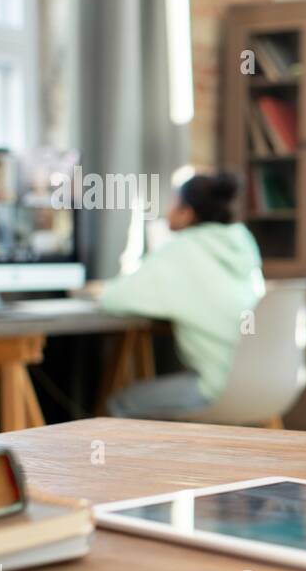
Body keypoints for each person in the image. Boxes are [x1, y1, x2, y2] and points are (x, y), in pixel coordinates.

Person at [101, 172, 264, 419]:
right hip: (262, 384)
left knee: (120, 403)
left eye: (172, 202)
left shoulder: (181, 250)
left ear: (186, 212)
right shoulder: (242, 242)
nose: (168, 210)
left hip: (215, 388)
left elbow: (112, 299)